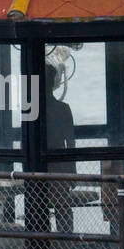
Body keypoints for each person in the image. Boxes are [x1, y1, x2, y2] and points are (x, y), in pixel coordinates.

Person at [45, 62, 76, 232]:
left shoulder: (31, 110)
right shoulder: (63, 109)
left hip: (41, 166)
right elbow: (71, 143)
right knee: (63, 208)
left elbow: (23, 141)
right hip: (60, 166)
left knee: (39, 208)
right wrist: (72, 172)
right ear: (53, 83)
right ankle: (67, 242)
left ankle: (42, 243)